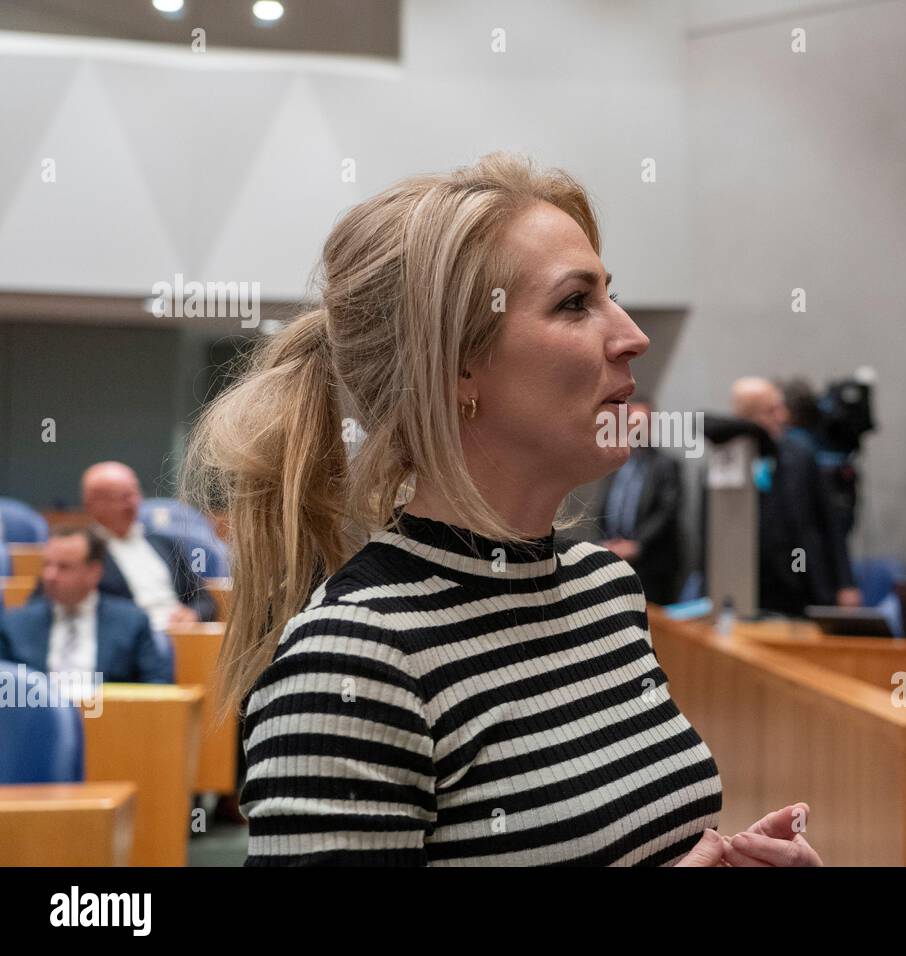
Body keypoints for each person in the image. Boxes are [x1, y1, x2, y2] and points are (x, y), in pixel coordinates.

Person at [183, 153, 821, 867]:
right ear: (457, 365)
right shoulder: (353, 660)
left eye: (610, 295)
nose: (632, 336)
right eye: (575, 303)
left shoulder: (605, 591)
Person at [731, 376, 860, 616]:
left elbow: (830, 523)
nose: (782, 416)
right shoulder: (728, 462)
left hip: (801, 580)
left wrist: (846, 583)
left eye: (781, 407)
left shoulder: (802, 455)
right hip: (752, 585)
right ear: (746, 418)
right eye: (771, 411)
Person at [0, 526, 172, 684]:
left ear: (94, 572)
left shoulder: (133, 624)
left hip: (108, 707)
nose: (49, 575)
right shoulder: (14, 625)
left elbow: (157, 690)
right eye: (47, 565)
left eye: (64, 567)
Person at [82, 461, 217, 630]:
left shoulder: (165, 543)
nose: (132, 503)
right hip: (128, 639)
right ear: (92, 504)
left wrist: (193, 614)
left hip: (182, 634)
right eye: (122, 497)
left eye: (134, 493)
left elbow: (203, 599)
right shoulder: (82, 552)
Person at [595, 399, 683, 606]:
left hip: (650, 564)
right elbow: (608, 504)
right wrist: (605, 541)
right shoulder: (615, 463)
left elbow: (666, 512)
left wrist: (637, 544)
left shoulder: (665, 465)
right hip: (611, 557)